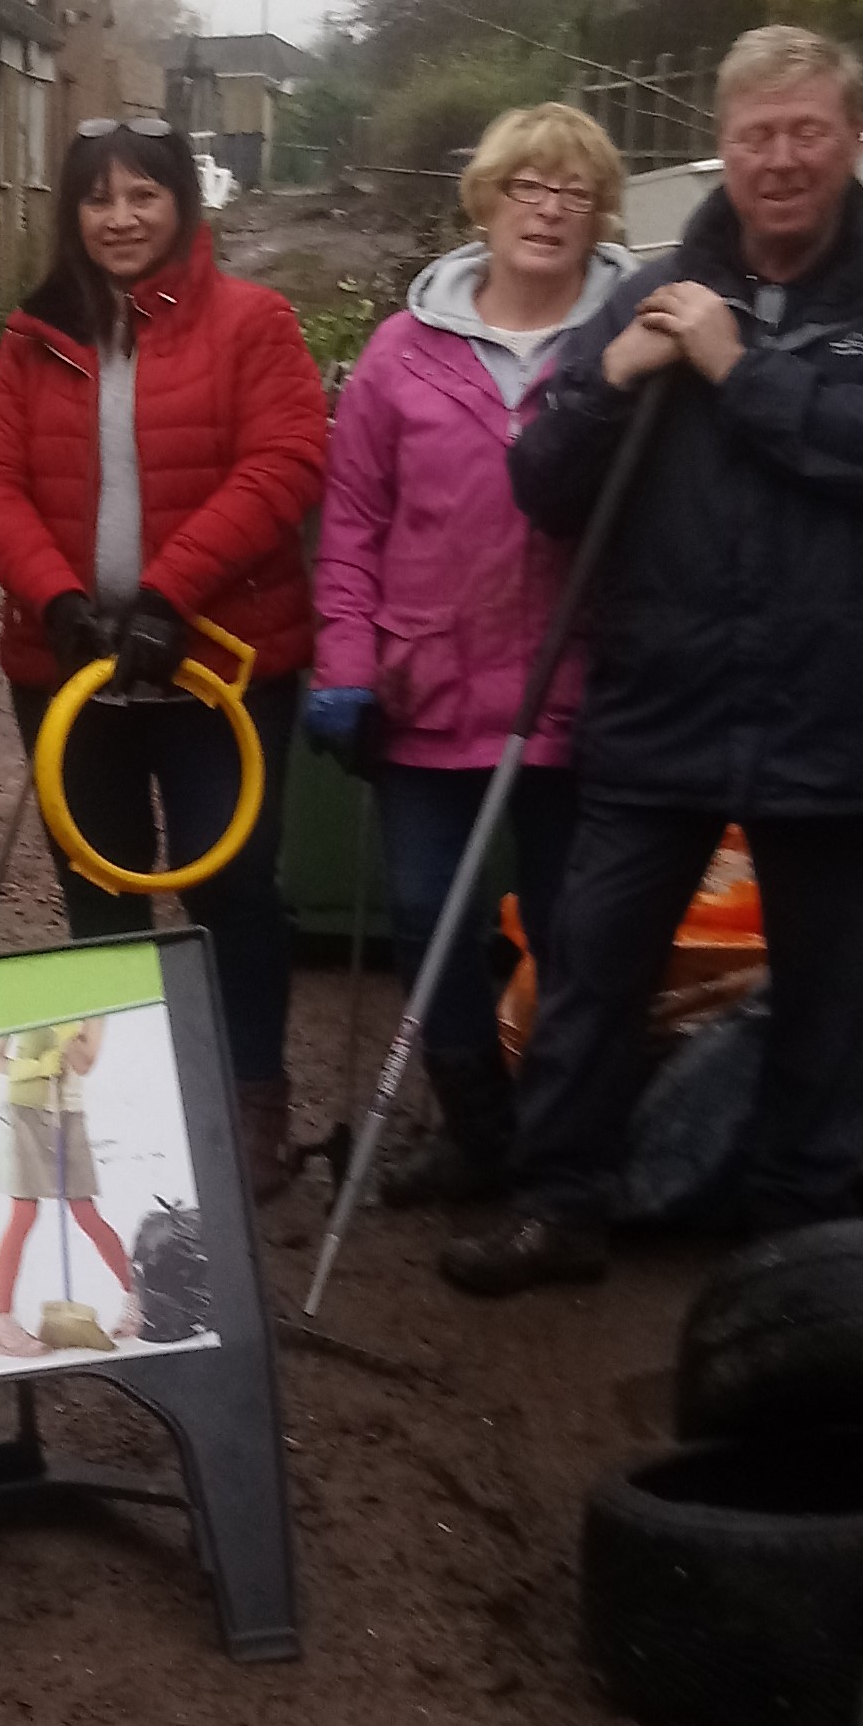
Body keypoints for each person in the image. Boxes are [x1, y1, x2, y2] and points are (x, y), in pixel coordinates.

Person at [439, 26, 863, 1294]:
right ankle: (558, 1202)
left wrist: (737, 365)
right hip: (666, 699)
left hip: (849, 711)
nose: (780, 158)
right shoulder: (641, 301)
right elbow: (542, 487)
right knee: (590, 970)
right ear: (720, 151)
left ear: (852, 141)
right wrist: (607, 382)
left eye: (805, 131)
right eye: (755, 135)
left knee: (832, 996)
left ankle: (798, 1238)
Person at [0, 118, 329, 1194]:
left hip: (217, 661)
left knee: (233, 883)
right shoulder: (35, 337)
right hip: (71, 670)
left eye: (142, 195)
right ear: (71, 213)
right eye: (96, 198)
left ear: (180, 203)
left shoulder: (253, 323)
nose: (119, 218)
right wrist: (57, 598)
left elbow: (286, 459)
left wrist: (170, 593)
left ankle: (251, 1093)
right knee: (98, 886)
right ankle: (119, 1104)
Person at [309, 103, 636, 1202]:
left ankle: (556, 1147)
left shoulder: (626, 348)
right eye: (525, 187)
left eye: (573, 191)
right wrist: (345, 667)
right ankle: (472, 1131)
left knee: (566, 932)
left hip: (571, 693)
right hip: (424, 688)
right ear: (485, 202)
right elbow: (351, 525)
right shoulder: (402, 354)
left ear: (600, 215)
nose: (547, 210)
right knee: (421, 909)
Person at [0, 1018, 134, 1353]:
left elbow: (85, 1066)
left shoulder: (91, 1008)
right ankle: (3, 1324)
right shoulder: (17, 996)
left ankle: (137, 1298)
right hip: (23, 1112)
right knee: (23, 1214)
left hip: (67, 1115)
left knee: (85, 1212)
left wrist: (68, 1038)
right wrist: (33, 1066)